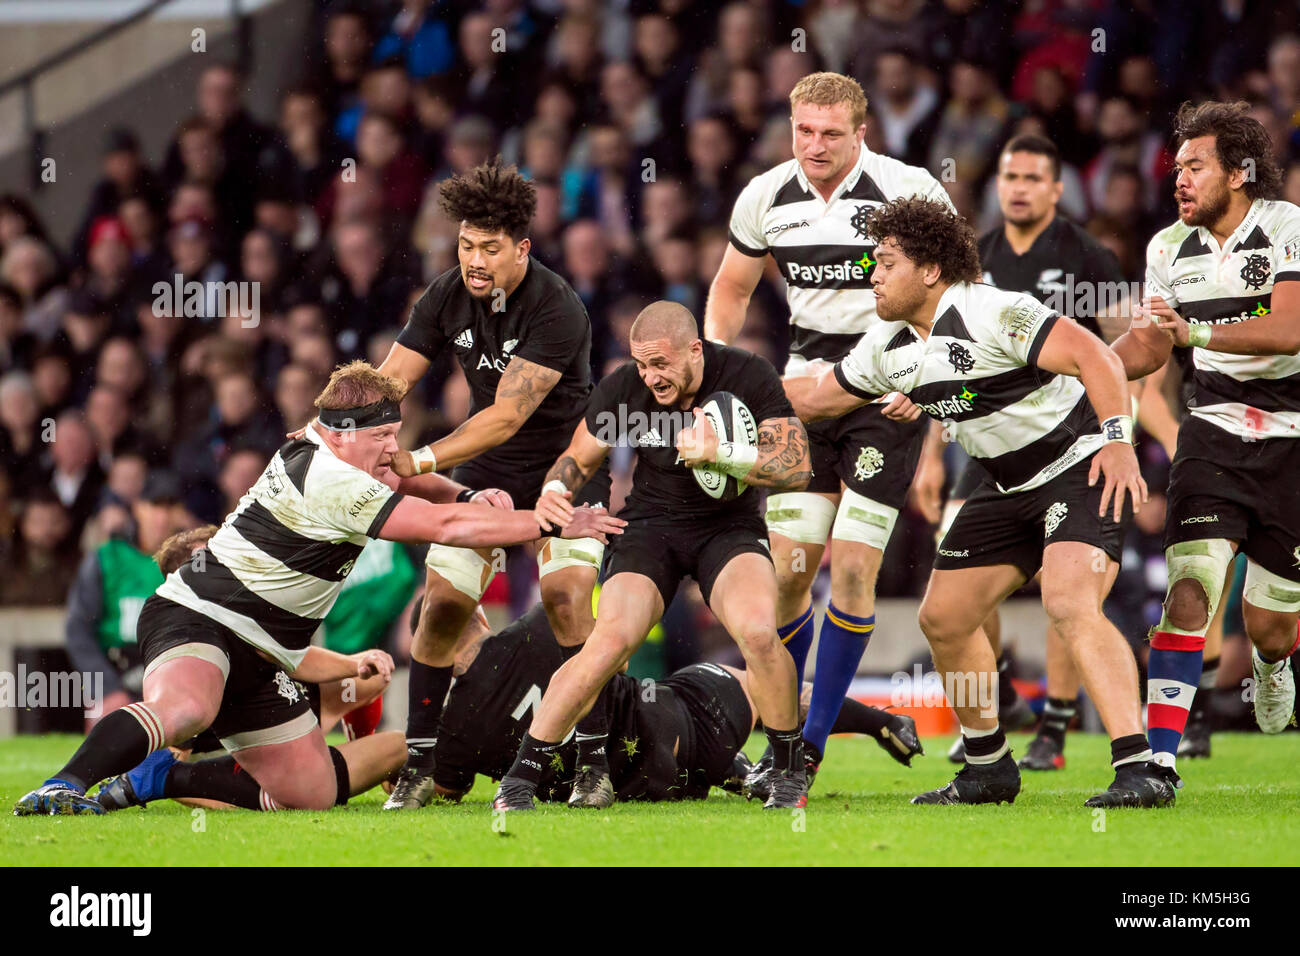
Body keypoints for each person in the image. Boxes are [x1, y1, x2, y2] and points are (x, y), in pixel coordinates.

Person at [13, 360, 623, 816]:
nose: (394, 448)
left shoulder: (340, 446)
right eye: (382, 436)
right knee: (188, 708)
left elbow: (420, 488)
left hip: (268, 652)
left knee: (312, 794)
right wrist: (546, 519)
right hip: (200, 615)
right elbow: (440, 526)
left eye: (396, 433)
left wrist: (465, 492)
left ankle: (161, 779)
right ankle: (60, 786)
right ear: (340, 435)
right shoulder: (327, 479)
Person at [784, 196, 1176, 809]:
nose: (873, 275)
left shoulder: (995, 311)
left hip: (1077, 464)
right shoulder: (886, 346)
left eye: (886, 263)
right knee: (942, 618)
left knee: (1069, 600)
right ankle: (988, 767)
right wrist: (728, 383)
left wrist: (1119, 442)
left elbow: (1094, 355)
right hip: (1002, 484)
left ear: (932, 271)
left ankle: (1141, 766)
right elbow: (815, 398)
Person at [704, 71, 950, 789]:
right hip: (804, 394)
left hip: (886, 390)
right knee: (785, 575)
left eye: (831, 134)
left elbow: (961, 291)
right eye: (803, 131)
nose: (814, 145)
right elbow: (730, 287)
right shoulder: (765, 196)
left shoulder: (909, 193)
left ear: (861, 132)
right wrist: (720, 364)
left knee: (851, 567)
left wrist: (926, 381)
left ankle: (802, 749)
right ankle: (793, 726)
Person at [360, 159, 615, 811]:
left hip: (565, 467)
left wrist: (417, 463)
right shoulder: (446, 293)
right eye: (466, 245)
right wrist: (334, 427)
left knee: (565, 599)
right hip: (488, 475)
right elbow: (392, 379)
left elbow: (504, 416)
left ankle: (594, 762)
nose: (475, 260)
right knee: (440, 607)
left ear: (521, 248)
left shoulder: (557, 306)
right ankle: (420, 765)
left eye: (490, 249)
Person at [491, 300, 814, 812]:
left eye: (660, 364)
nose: (651, 377)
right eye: (642, 365)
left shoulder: (747, 374)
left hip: (729, 529)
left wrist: (722, 453)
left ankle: (788, 771)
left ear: (695, 349)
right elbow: (578, 456)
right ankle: (519, 781)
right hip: (651, 529)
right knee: (607, 643)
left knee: (756, 632)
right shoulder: (626, 388)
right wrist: (555, 487)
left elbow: (796, 467)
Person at [1110, 100, 1300, 771]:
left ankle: (1275, 666)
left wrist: (1196, 332)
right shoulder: (1166, 248)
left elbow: (1291, 328)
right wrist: (1089, 364)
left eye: (1195, 166)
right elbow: (1148, 347)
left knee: (1271, 628)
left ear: (1240, 172)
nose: (1179, 180)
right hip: (1212, 430)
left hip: (1290, 438)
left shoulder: (1285, 227)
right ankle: (1159, 764)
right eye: (1176, 167)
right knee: (1188, 589)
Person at [428, 601, 923, 803]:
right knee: (762, 687)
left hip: (648, 785)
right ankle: (880, 722)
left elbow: (448, 788)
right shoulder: (537, 625)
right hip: (682, 715)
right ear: (481, 620)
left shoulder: (455, 730)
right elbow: (616, 661)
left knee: (694, 741)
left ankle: (729, 768)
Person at [64, 471, 185, 726]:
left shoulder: (191, 564)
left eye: (169, 507)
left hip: (171, 673)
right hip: (115, 669)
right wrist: (107, 688)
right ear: (138, 508)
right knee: (106, 726)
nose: (162, 517)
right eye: (154, 506)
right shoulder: (106, 558)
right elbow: (78, 629)